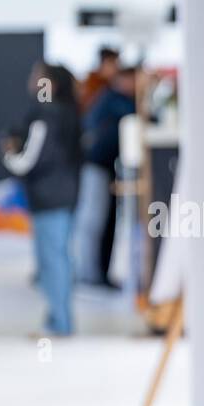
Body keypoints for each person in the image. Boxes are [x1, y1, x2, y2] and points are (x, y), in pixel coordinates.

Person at [1, 63, 81, 336]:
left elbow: (27, 160)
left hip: (50, 195)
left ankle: (60, 323)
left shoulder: (44, 116)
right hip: (67, 191)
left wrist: (9, 155)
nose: (32, 80)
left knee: (52, 260)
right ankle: (60, 319)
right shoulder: (69, 112)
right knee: (60, 257)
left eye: (38, 76)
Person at [75, 65, 137, 289]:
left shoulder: (113, 99)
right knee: (93, 222)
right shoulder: (114, 100)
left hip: (106, 167)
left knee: (105, 223)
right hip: (95, 166)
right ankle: (88, 274)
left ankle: (97, 273)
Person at [77, 47, 119, 116]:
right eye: (113, 63)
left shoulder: (111, 83)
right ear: (103, 63)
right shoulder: (92, 82)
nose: (117, 67)